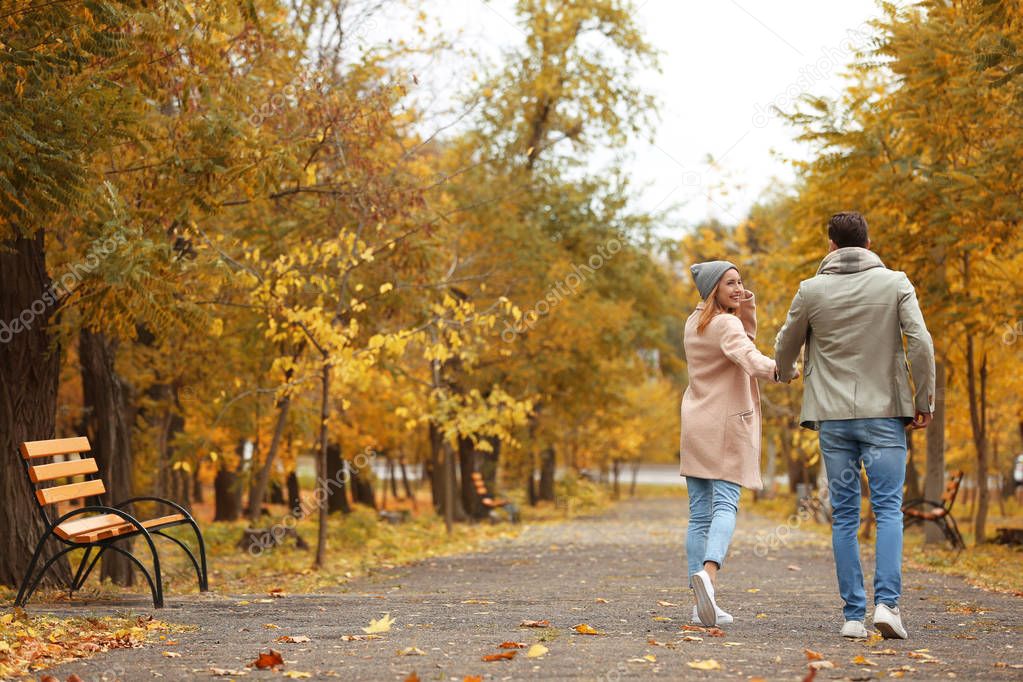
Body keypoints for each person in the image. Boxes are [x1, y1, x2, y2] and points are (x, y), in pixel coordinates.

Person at [774, 212, 935, 640]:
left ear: (831, 245)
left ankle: (852, 616)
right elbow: (920, 341)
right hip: (885, 414)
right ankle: (887, 605)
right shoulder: (896, 283)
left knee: (844, 516)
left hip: (833, 418)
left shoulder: (811, 290)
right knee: (887, 511)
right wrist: (924, 401)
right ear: (867, 242)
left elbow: (786, 344)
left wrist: (785, 370)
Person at [680, 260, 788, 627]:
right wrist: (780, 369)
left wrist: (745, 305)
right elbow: (750, 355)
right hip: (726, 425)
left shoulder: (694, 323)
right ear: (714, 289)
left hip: (696, 421)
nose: (738, 287)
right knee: (726, 504)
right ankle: (708, 575)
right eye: (730, 283)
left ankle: (700, 606)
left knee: (699, 514)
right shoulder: (726, 324)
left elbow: (743, 343)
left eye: (741, 281)